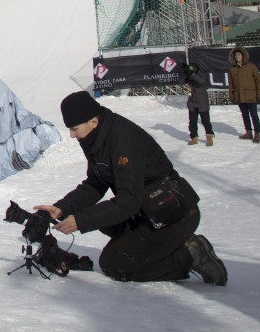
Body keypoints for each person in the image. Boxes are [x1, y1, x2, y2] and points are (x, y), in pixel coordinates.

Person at [34, 91, 228, 285]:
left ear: (93, 121)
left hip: (172, 214)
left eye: (74, 128)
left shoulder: (123, 139)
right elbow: (95, 184)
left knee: (116, 265)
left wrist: (81, 221)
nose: (71, 134)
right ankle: (156, 246)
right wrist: (61, 208)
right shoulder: (95, 137)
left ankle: (191, 254)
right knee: (101, 220)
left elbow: (128, 200)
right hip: (146, 212)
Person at [228, 45, 260, 143]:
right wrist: (231, 95)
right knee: (245, 115)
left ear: (243, 55)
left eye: (239, 55)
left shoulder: (251, 66)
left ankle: (257, 134)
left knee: (254, 115)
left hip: (251, 96)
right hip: (239, 96)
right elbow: (231, 83)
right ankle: (248, 133)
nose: (237, 57)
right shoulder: (232, 69)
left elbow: (259, 80)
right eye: (236, 55)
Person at [184, 62, 214, 146]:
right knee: (192, 122)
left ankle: (209, 137)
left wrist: (193, 75)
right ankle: (194, 137)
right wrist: (186, 73)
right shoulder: (189, 77)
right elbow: (182, 81)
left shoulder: (200, 75)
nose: (190, 70)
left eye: (192, 68)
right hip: (192, 103)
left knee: (205, 121)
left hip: (202, 102)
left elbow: (201, 81)